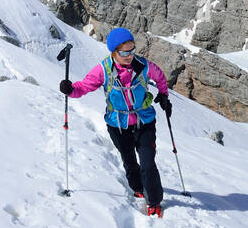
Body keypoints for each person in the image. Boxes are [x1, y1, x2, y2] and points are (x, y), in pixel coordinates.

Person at [60, 27, 173, 217]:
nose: (129, 55)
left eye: (132, 50)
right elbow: (84, 86)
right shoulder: (103, 70)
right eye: (124, 52)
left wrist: (163, 94)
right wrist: (70, 89)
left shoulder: (143, 66)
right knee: (129, 160)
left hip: (144, 120)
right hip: (117, 124)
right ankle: (137, 187)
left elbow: (159, 76)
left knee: (147, 162)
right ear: (113, 52)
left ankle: (154, 200)